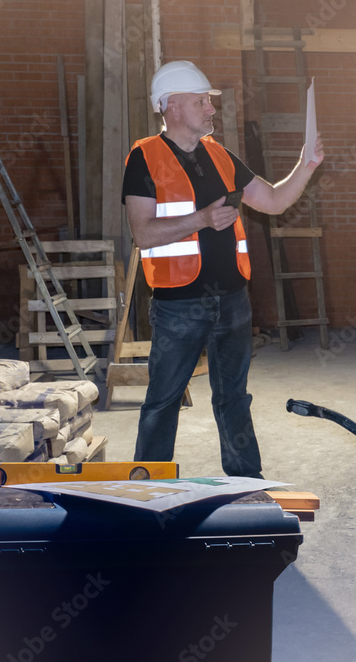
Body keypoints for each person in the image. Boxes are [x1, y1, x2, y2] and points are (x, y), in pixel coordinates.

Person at [122, 60, 323, 478]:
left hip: (232, 301)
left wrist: (305, 165)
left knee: (233, 398)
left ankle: (246, 484)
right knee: (163, 401)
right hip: (178, 306)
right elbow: (142, 233)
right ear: (172, 106)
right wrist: (200, 219)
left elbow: (272, 201)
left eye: (209, 102)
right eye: (201, 102)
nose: (211, 109)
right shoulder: (144, 158)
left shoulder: (221, 156)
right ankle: (145, 491)